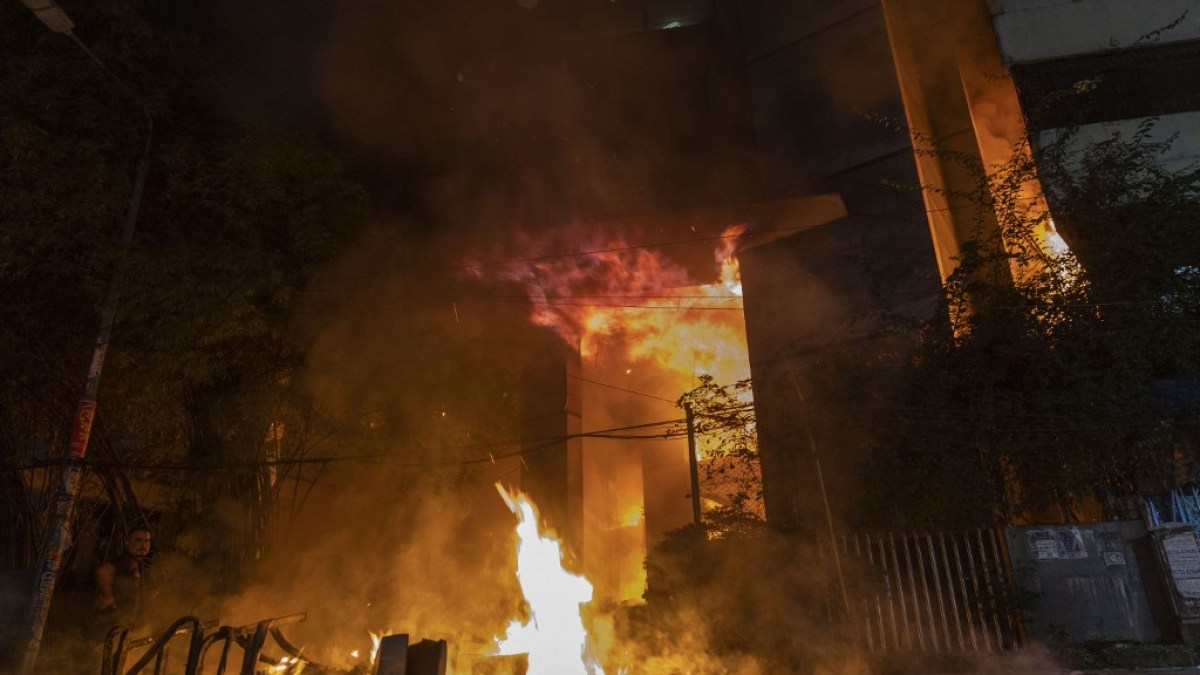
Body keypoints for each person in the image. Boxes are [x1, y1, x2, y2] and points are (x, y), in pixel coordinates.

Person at [95, 526, 152, 630]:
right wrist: (108, 596)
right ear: (127, 542)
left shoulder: (137, 563)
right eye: (138, 540)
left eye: (147, 541)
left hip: (125, 621)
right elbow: (103, 571)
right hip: (114, 622)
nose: (144, 545)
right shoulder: (126, 560)